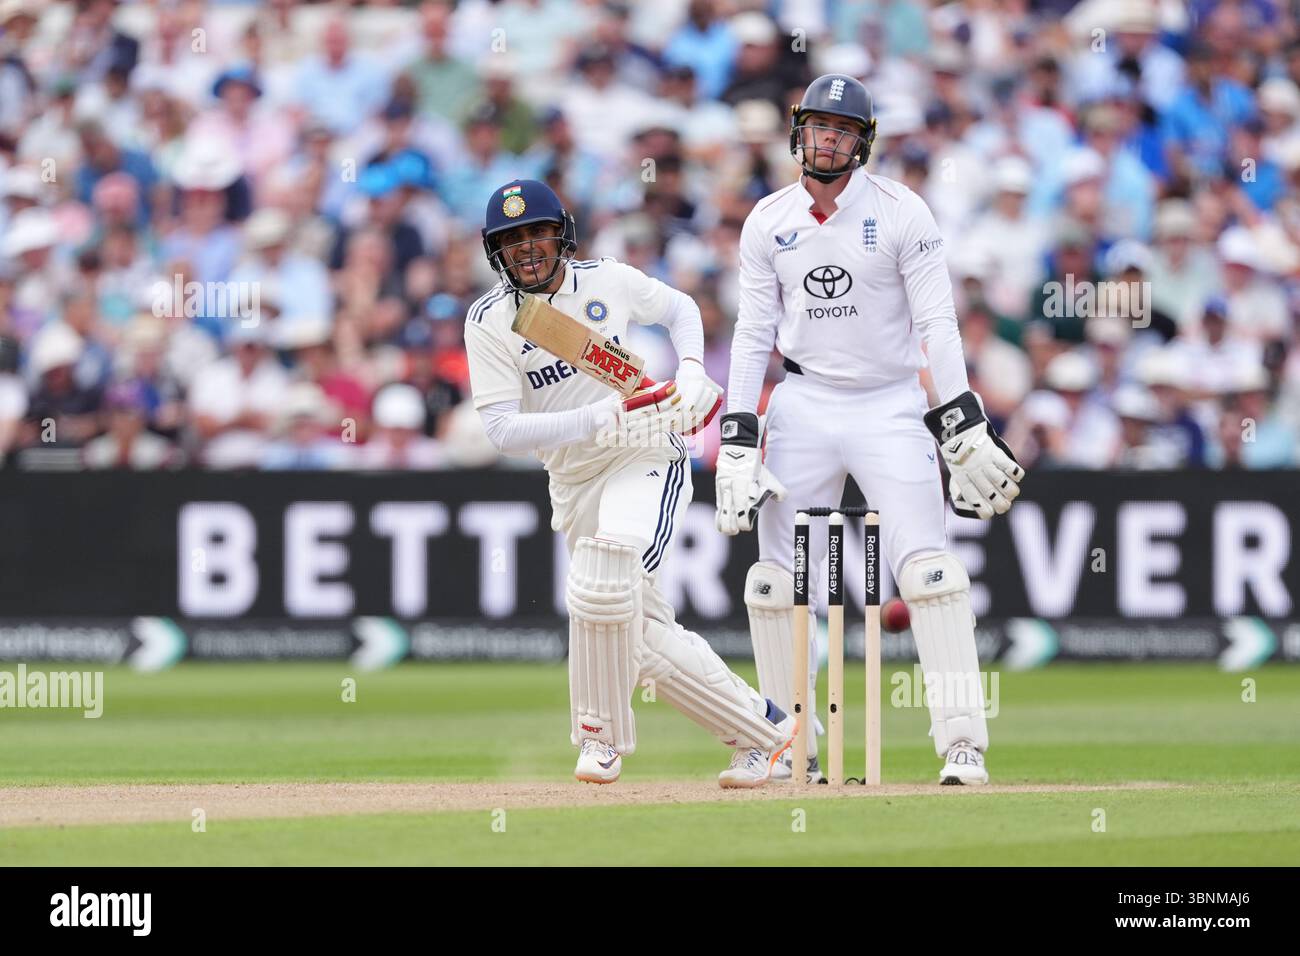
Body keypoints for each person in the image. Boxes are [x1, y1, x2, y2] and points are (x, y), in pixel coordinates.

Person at [715, 75, 1026, 785]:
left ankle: (962, 745)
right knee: (773, 585)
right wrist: (738, 432)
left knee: (931, 574)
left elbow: (937, 323)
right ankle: (790, 740)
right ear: (799, 133)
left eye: (842, 130)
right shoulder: (767, 218)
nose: (827, 139)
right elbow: (753, 328)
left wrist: (960, 417)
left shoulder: (900, 211)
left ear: (862, 142)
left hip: (890, 403)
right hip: (802, 401)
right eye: (817, 126)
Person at [464, 179, 795, 788]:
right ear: (496, 252)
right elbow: (503, 430)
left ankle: (599, 740)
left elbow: (681, 310)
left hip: (644, 451)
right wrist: (597, 416)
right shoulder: (490, 320)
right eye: (512, 240)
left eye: (537, 232)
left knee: (602, 578)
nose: (527, 248)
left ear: (559, 235)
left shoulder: (606, 280)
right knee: (636, 633)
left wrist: (692, 369)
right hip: (572, 478)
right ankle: (768, 733)